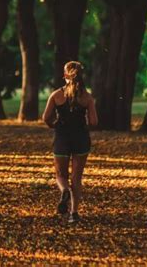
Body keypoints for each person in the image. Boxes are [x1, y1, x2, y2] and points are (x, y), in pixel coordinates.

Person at [42, 61, 98, 223]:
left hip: (62, 138)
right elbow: (94, 122)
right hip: (81, 138)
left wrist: (54, 125)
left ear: (65, 75)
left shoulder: (56, 95)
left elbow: (46, 118)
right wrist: (83, 126)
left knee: (61, 174)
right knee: (76, 177)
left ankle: (64, 190)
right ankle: (74, 213)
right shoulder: (87, 97)